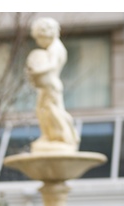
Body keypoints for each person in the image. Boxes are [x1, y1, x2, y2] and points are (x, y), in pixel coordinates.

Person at [26, 16, 80, 151]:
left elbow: (52, 65)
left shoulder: (56, 48)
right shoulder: (51, 48)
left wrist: (36, 70)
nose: (38, 41)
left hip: (51, 85)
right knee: (42, 110)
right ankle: (48, 135)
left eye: (39, 37)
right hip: (46, 85)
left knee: (54, 111)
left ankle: (65, 136)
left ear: (46, 34)